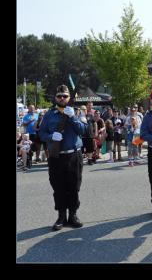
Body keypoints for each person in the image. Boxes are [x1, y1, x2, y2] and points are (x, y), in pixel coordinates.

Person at [38, 85, 88, 231]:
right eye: (59, 96)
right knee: (58, 187)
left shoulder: (77, 112)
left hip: (74, 155)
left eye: (64, 96)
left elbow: (84, 130)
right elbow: (41, 133)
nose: (62, 98)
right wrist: (50, 136)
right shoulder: (49, 114)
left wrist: (72, 117)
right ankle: (61, 216)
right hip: (56, 157)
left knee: (74, 186)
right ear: (55, 98)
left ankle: (73, 215)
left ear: (69, 98)